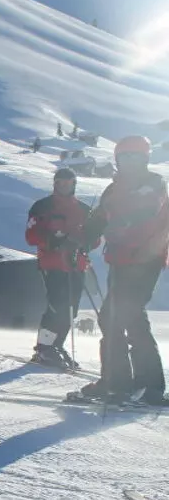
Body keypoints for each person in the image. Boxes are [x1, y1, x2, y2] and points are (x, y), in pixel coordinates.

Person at [75, 136, 169, 405]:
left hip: (145, 260)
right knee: (130, 318)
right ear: (117, 160)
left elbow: (149, 209)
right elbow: (97, 220)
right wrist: (82, 240)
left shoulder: (153, 183)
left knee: (114, 317)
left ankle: (119, 384)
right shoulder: (112, 190)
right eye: (125, 157)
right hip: (120, 260)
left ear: (145, 159)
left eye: (136, 157)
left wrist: (123, 221)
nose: (130, 163)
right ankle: (141, 385)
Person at [25, 167, 95, 369]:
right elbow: (31, 236)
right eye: (60, 183)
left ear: (74, 185)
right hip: (53, 263)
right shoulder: (42, 207)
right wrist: (55, 241)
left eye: (68, 183)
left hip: (77, 264)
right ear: (55, 184)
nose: (64, 186)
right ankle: (44, 348)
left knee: (71, 310)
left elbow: (95, 238)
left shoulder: (84, 209)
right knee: (58, 306)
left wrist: (84, 242)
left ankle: (56, 345)